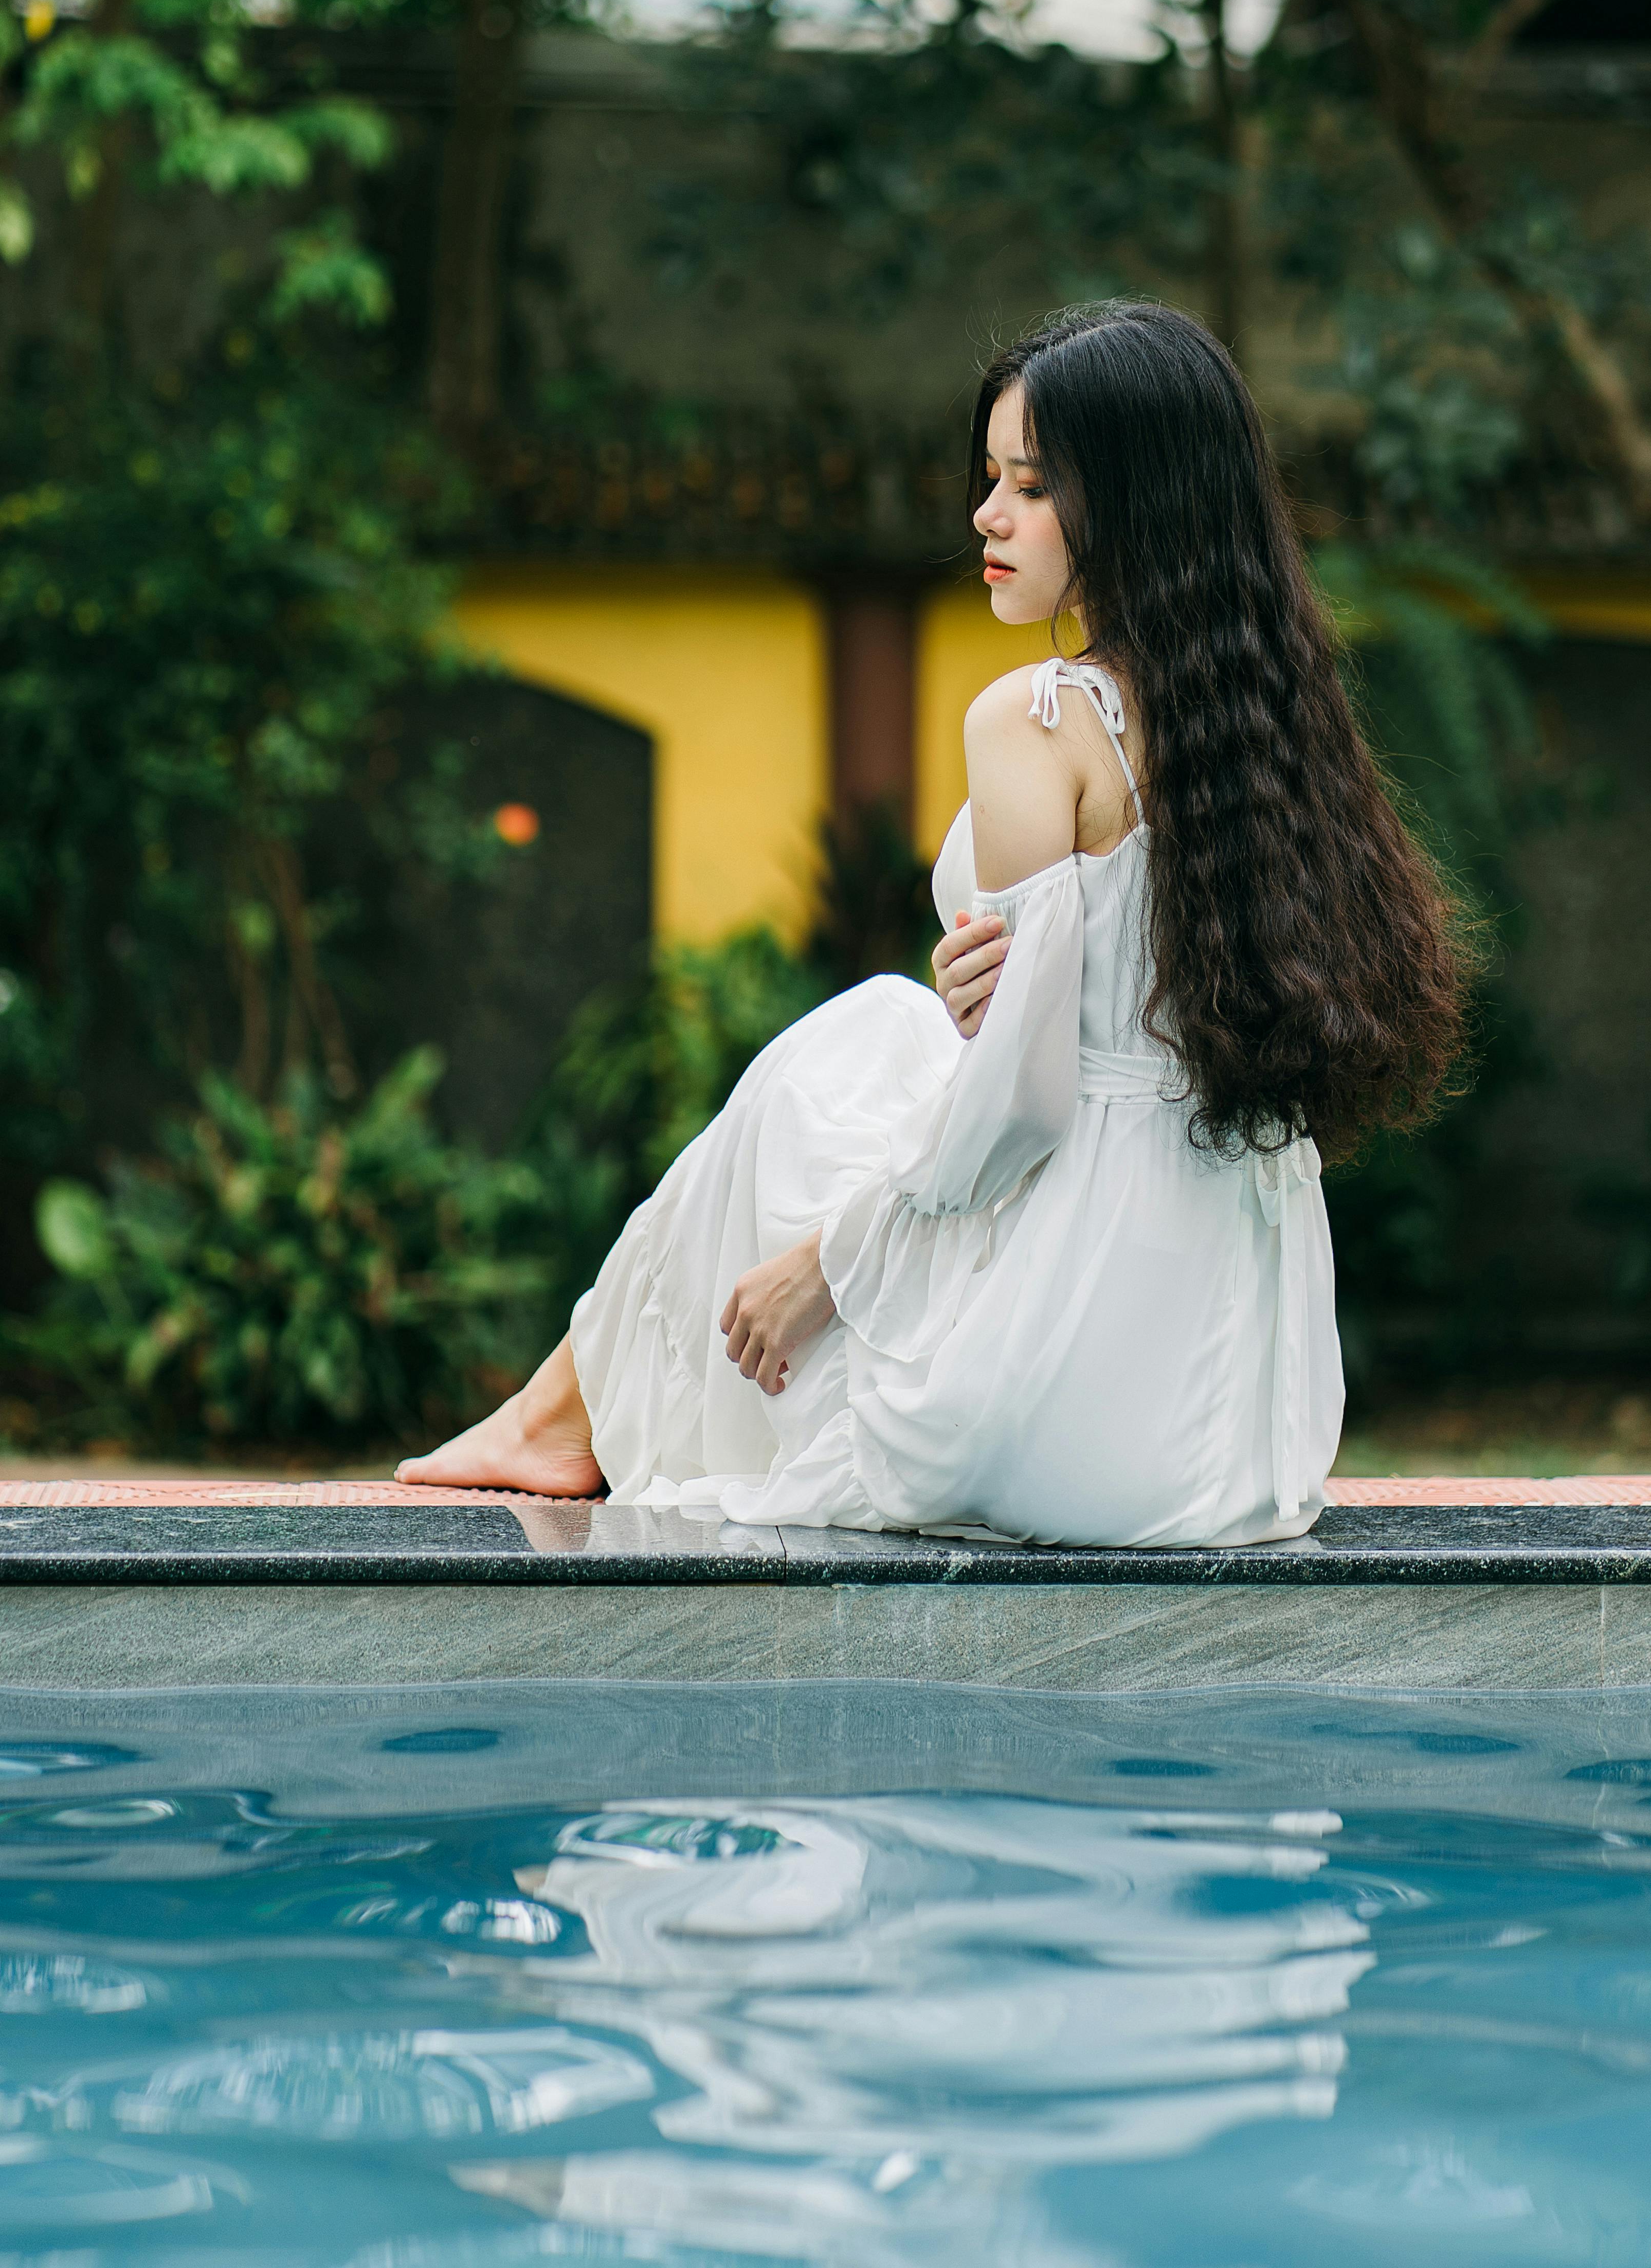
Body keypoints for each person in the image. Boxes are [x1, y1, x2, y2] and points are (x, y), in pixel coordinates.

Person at [400, 301, 1473, 1544]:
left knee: (843, 1046)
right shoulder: (1274, 728)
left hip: (1063, 1409)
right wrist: (1013, 1000)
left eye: (1029, 485)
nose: (986, 517)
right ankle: (555, 1410)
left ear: (1132, 505)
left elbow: (1021, 1104)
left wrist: (832, 1267)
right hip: (1244, 1439)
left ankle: (554, 1411)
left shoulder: (1039, 717)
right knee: (893, 1029)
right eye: (991, 480)